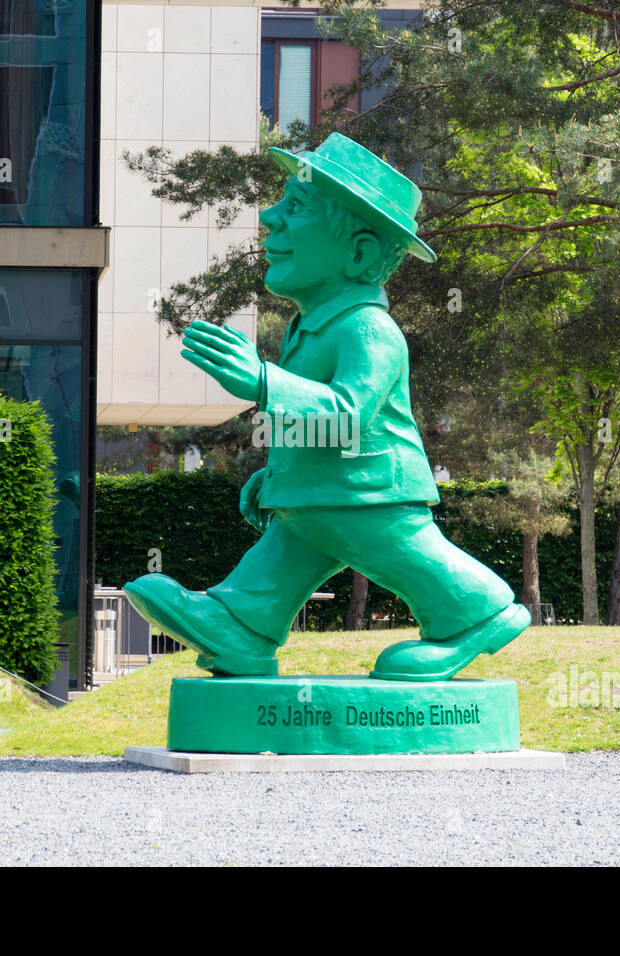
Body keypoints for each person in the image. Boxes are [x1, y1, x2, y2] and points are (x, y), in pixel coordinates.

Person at [124, 133, 529, 681]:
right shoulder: (312, 329)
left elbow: (346, 414)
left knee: (404, 555)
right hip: (319, 492)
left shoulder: (370, 329)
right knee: (292, 543)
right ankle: (241, 624)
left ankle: (476, 611)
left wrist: (264, 380)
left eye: (298, 207)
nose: (271, 216)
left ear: (359, 252)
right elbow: (308, 418)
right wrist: (275, 473)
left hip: (368, 491)